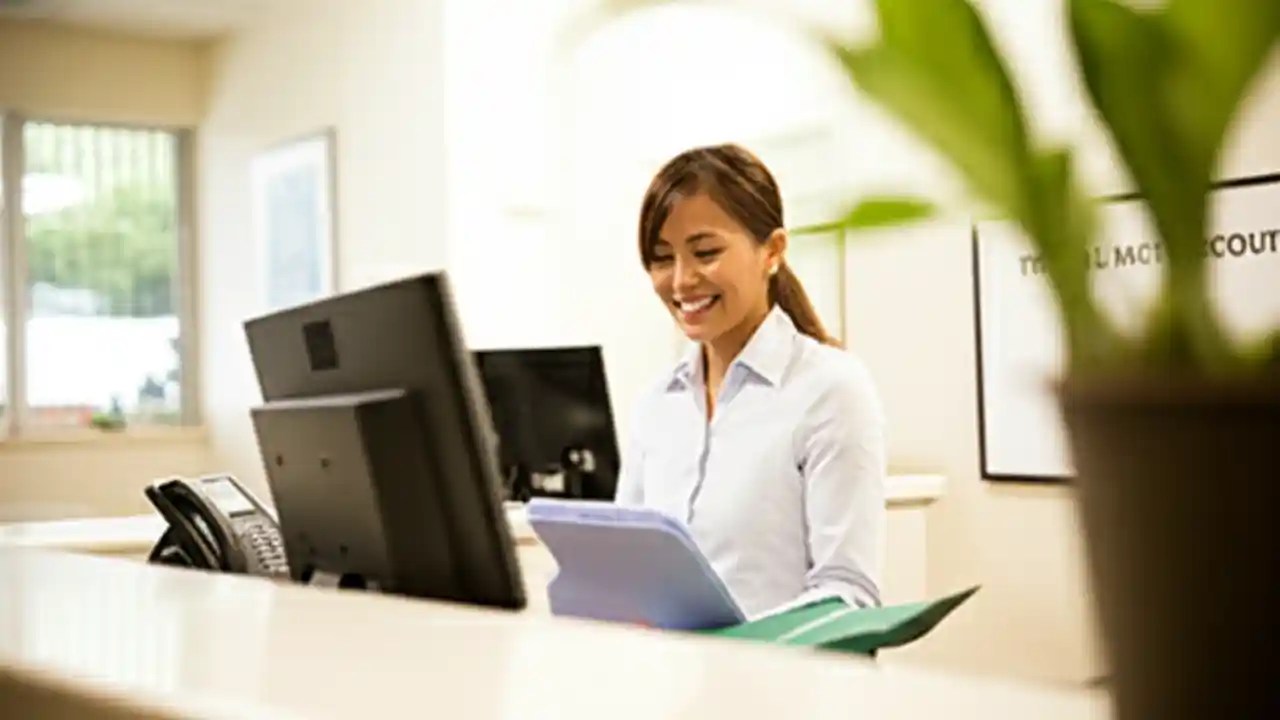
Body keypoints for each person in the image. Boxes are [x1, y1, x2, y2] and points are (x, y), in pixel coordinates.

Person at [614, 143, 887, 618]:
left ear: (773, 251)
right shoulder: (656, 404)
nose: (681, 281)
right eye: (662, 258)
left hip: (780, 683)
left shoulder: (831, 389)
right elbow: (625, 569)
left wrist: (740, 646)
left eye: (705, 252)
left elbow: (850, 594)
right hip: (669, 684)